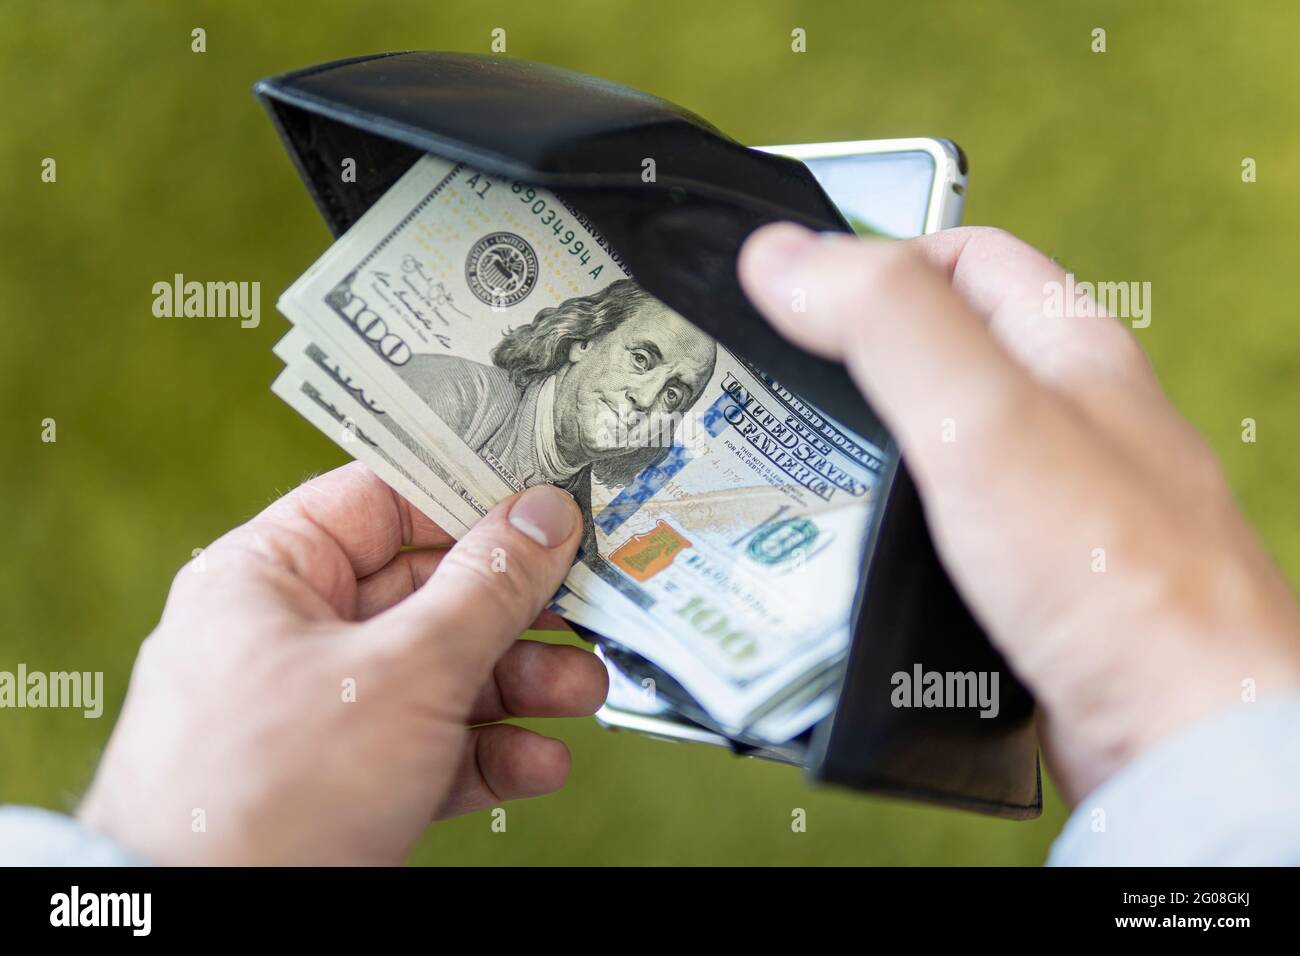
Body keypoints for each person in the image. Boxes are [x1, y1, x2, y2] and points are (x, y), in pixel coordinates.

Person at [3, 225, 1298, 865]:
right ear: (571, 336)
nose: (651, 402)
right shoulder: (458, 402)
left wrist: (185, 838)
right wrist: (1195, 705)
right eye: (642, 362)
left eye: (680, 390)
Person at [395, 279, 717, 567]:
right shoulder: (450, 392)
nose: (646, 399)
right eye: (641, 359)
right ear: (585, 341)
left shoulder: (583, 548)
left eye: (672, 395)